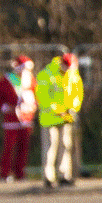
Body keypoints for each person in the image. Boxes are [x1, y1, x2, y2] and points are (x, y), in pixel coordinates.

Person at [36, 46, 83, 188]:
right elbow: (42, 96)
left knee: (66, 146)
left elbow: (78, 94)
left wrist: (73, 108)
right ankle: (48, 177)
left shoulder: (73, 75)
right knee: (50, 147)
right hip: (50, 118)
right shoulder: (47, 74)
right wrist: (57, 110)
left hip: (66, 117)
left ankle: (64, 175)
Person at [0, 54, 36, 180]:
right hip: (11, 119)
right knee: (9, 148)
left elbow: (35, 95)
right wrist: (4, 107)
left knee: (23, 148)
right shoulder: (8, 79)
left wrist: (34, 105)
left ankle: (20, 174)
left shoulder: (30, 79)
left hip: (26, 118)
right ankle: (4, 174)